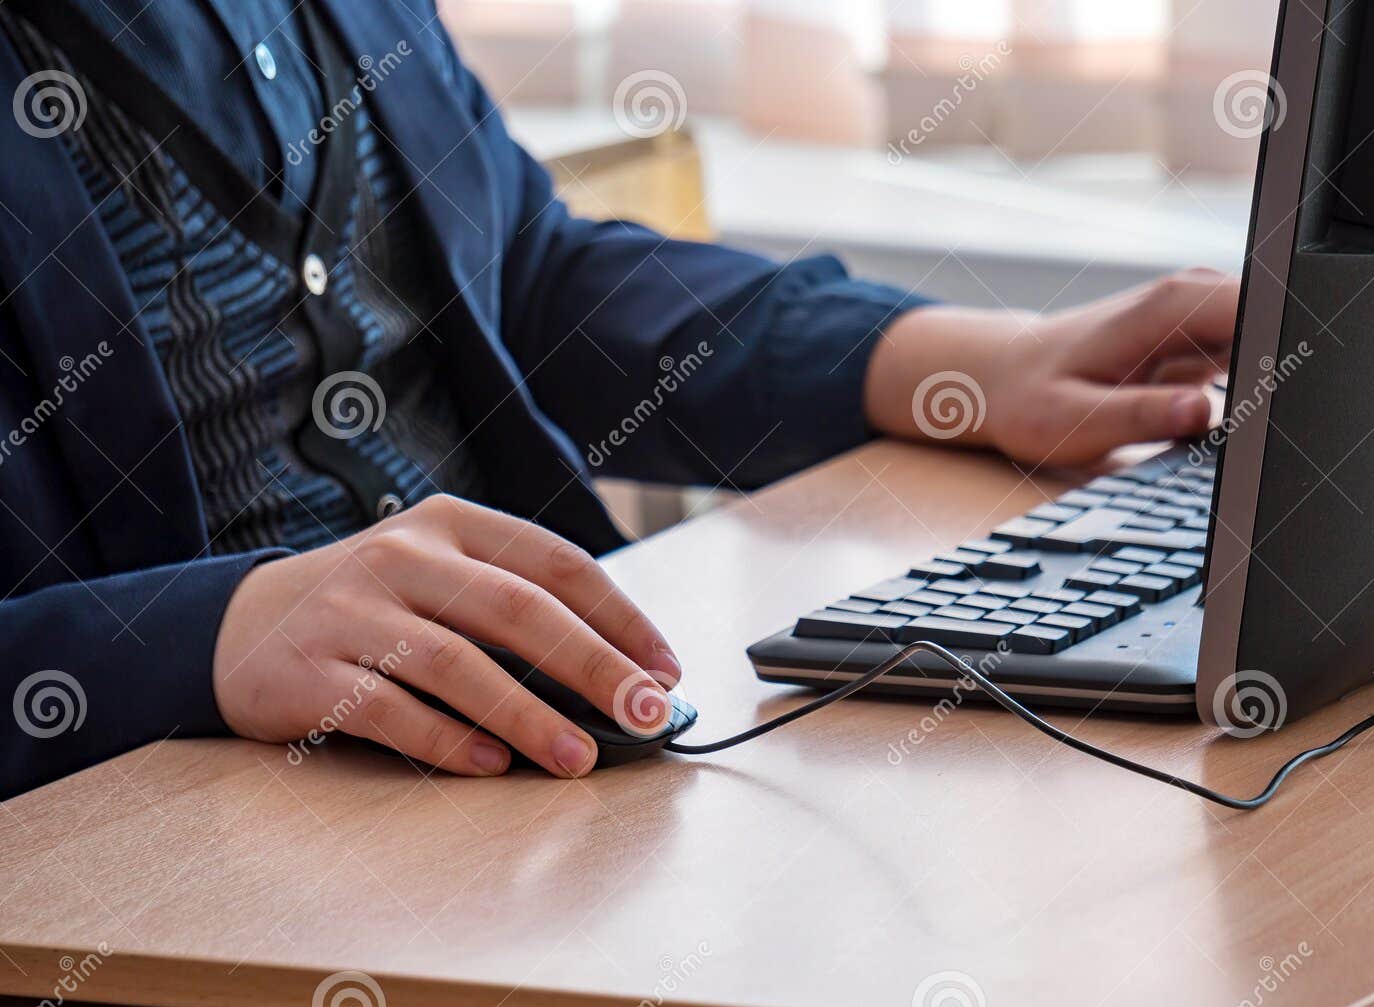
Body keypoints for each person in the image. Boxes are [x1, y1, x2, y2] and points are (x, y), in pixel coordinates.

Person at [0, 0, 1239, 796]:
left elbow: (522, 278)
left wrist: (951, 363)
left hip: (561, 777)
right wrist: (208, 635)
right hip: (185, 878)